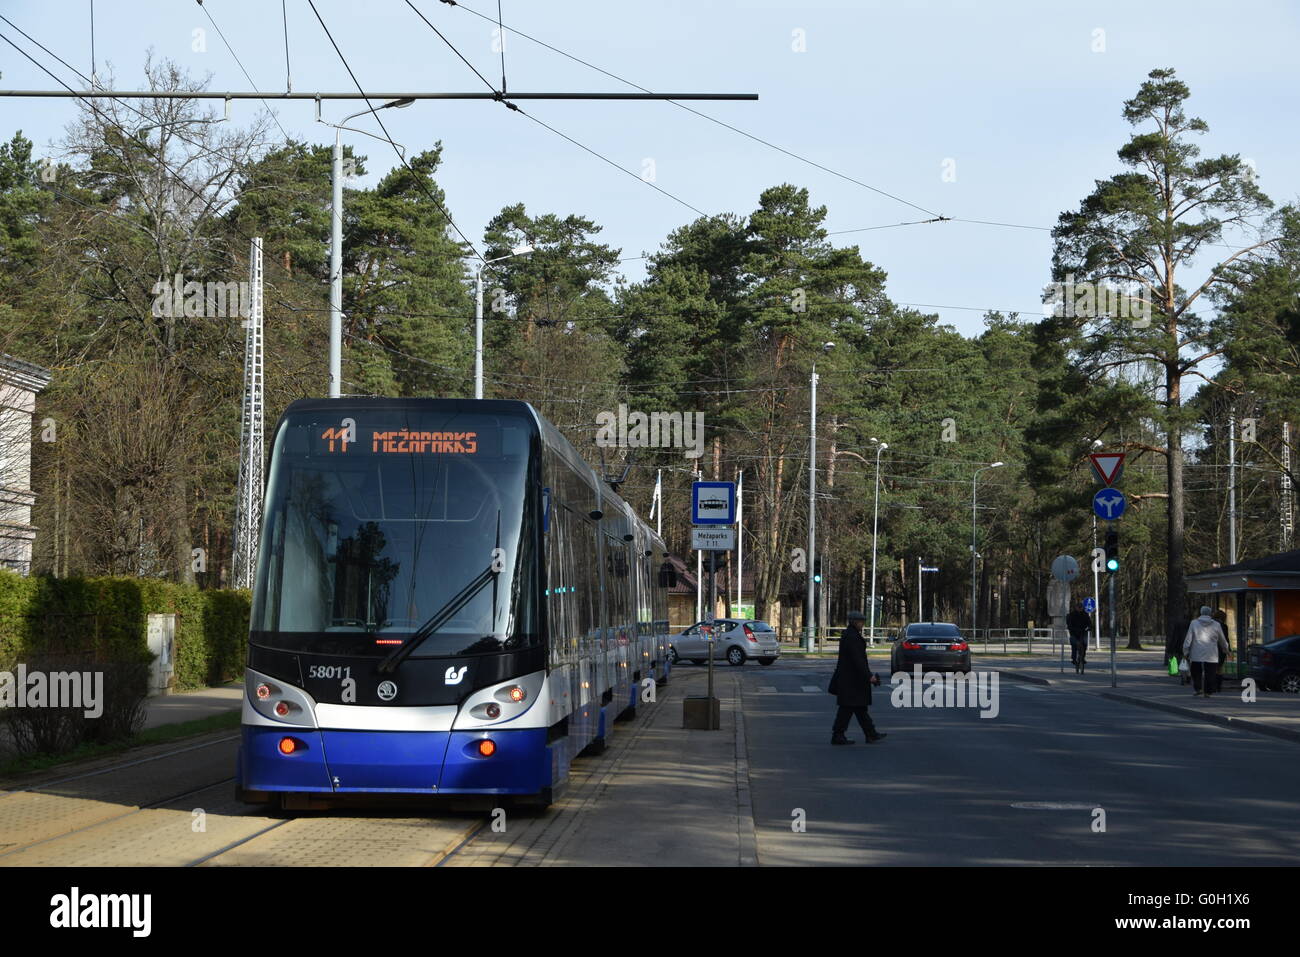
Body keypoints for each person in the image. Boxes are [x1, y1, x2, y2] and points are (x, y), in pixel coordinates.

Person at [828, 611, 886, 745]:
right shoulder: (852, 637)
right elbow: (858, 660)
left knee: (858, 708)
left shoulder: (850, 635)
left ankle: (870, 733)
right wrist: (869, 676)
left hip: (851, 678)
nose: (863, 624)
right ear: (855, 622)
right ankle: (839, 735)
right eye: (861, 621)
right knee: (849, 707)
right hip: (852, 679)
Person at [1183, 606, 1230, 698]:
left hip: (1196, 652)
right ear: (1210, 613)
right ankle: (1208, 691)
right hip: (1211, 653)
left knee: (1196, 671)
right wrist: (1226, 649)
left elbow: (1188, 639)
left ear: (1201, 612)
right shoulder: (1216, 624)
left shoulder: (1194, 623)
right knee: (1211, 672)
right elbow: (1222, 639)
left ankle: (1198, 688)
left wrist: (1185, 651)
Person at [1065, 601, 1092, 673]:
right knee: (1074, 644)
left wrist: (1089, 627)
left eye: (1081, 607)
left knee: (1085, 643)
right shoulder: (1071, 615)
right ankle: (1074, 659)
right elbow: (1069, 623)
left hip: (1083, 632)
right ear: (1076, 608)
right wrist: (1070, 628)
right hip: (1074, 633)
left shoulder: (1085, 615)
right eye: (1078, 607)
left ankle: (1082, 658)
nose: (1080, 609)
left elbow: (1089, 623)